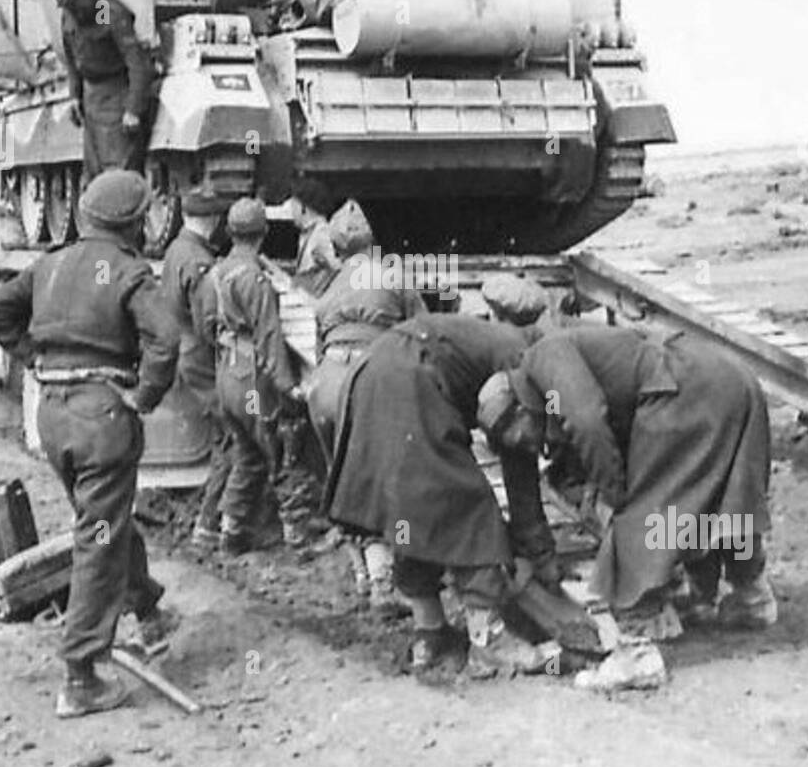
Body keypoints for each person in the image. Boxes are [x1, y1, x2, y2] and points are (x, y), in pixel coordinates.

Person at [0, 171, 181, 718]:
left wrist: (37, 359)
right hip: (103, 417)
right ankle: (81, 673)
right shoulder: (129, 270)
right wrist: (143, 396)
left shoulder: (51, 263)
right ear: (135, 222)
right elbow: (166, 338)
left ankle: (148, 613)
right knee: (100, 533)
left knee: (104, 520)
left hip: (54, 417)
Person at [484, 324, 778, 633]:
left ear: (521, 408)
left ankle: (643, 620)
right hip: (725, 375)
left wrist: (614, 496)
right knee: (731, 497)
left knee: (649, 511)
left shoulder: (542, 358)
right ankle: (749, 595)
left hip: (684, 385)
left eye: (525, 439)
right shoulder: (548, 379)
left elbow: (586, 421)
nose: (534, 448)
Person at [325, 304, 559, 676]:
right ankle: (490, 643)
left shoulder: (487, 338)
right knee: (467, 509)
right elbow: (520, 460)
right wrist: (538, 551)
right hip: (411, 381)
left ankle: (429, 633)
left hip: (368, 373)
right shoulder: (522, 359)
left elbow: (513, 447)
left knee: (407, 507)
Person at [307, 199, 425, 608]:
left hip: (325, 385)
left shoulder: (329, 287)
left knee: (342, 478)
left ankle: (360, 570)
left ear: (337, 249)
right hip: (369, 380)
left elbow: (318, 346)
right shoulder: (393, 274)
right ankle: (384, 582)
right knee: (384, 478)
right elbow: (420, 334)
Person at [199, 197, 316, 553]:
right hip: (253, 380)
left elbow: (206, 326)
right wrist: (289, 386)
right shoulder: (254, 280)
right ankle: (298, 535)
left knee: (247, 455)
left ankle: (230, 531)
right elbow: (269, 336)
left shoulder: (215, 273)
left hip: (227, 374)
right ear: (263, 233)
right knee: (280, 451)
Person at [159, 194, 230, 548]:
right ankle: (210, 523)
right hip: (200, 357)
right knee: (234, 435)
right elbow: (209, 325)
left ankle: (217, 518)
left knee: (228, 434)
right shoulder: (199, 261)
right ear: (212, 220)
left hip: (184, 352)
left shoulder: (175, 249)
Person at [54, 0, 156, 184]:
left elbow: (136, 62)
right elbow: (72, 60)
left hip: (116, 94)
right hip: (91, 99)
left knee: (120, 168)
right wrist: (74, 96)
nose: (74, 12)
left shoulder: (106, 11)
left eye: (75, 5)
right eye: (69, 8)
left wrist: (133, 109)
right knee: (94, 169)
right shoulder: (69, 17)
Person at [289, 175, 341, 298]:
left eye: (293, 207)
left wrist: (327, 264)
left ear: (303, 208)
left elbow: (338, 268)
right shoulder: (309, 233)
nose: (292, 212)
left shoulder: (322, 233)